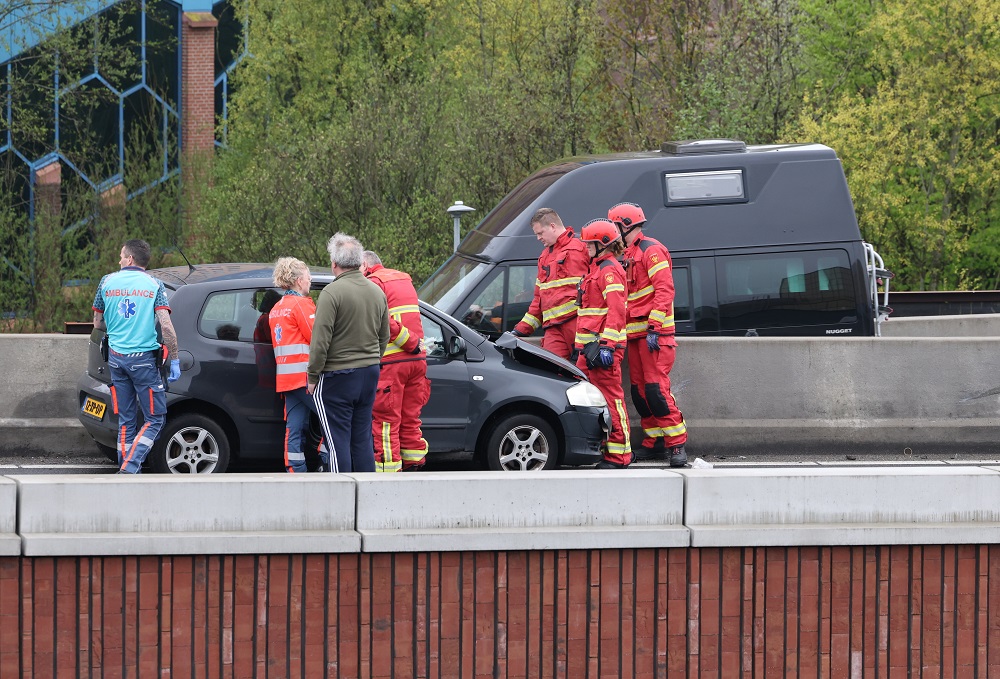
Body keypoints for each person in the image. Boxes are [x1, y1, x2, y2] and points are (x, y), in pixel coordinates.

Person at [608, 202, 688, 467]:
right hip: (635, 335)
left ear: (625, 225)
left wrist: (654, 326)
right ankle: (654, 442)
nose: (613, 232)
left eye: (615, 227)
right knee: (640, 393)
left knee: (656, 390)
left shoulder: (650, 250)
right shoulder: (626, 253)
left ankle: (676, 444)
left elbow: (664, 290)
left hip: (655, 334)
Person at [92, 239, 180, 474]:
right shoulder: (155, 285)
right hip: (143, 362)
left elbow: (98, 322)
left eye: (121, 256)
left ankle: (127, 469)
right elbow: (167, 327)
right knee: (155, 419)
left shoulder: (107, 281)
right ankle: (130, 467)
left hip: (116, 359)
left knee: (126, 421)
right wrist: (176, 359)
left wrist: (117, 328)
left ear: (130, 259)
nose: (119, 260)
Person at [307, 234, 389, 473]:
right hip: (369, 373)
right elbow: (383, 336)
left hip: (337, 376)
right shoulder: (377, 292)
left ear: (334, 264)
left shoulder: (332, 293)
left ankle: (339, 498)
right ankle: (365, 495)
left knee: (336, 442)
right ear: (359, 262)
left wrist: (313, 376)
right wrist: (372, 359)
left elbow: (320, 341)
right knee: (362, 439)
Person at [361, 251, 431, 472]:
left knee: (386, 421)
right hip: (418, 360)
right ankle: (414, 464)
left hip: (394, 362)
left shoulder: (373, 283)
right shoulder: (403, 279)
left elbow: (383, 321)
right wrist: (415, 344)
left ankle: (387, 470)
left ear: (365, 265)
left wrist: (409, 342)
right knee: (410, 418)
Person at [574, 219, 631, 469]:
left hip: (602, 350)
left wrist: (607, 345)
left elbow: (616, 311)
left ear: (603, 244)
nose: (586, 248)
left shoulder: (609, 270)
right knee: (587, 399)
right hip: (589, 350)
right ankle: (600, 448)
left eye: (589, 244)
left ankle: (619, 456)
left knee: (610, 399)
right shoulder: (596, 269)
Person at [269, 257, 331, 473]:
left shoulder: (277, 308)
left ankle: (295, 469)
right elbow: (318, 339)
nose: (310, 279)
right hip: (306, 377)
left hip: (286, 379)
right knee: (332, 419)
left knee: (294, 427)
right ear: (297, 280)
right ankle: (327, 459)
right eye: (307, 275)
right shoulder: (302, 305)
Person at [510, 208, 590, 360]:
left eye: (540, 233)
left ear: (553, 226)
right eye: (537, 234)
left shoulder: (581, 248)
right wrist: (519, 331)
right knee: (552, 372)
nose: (538, 238)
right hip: (553, 328)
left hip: (579, 323)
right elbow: (538, 302)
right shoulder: (544, 257)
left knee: (585, 374)